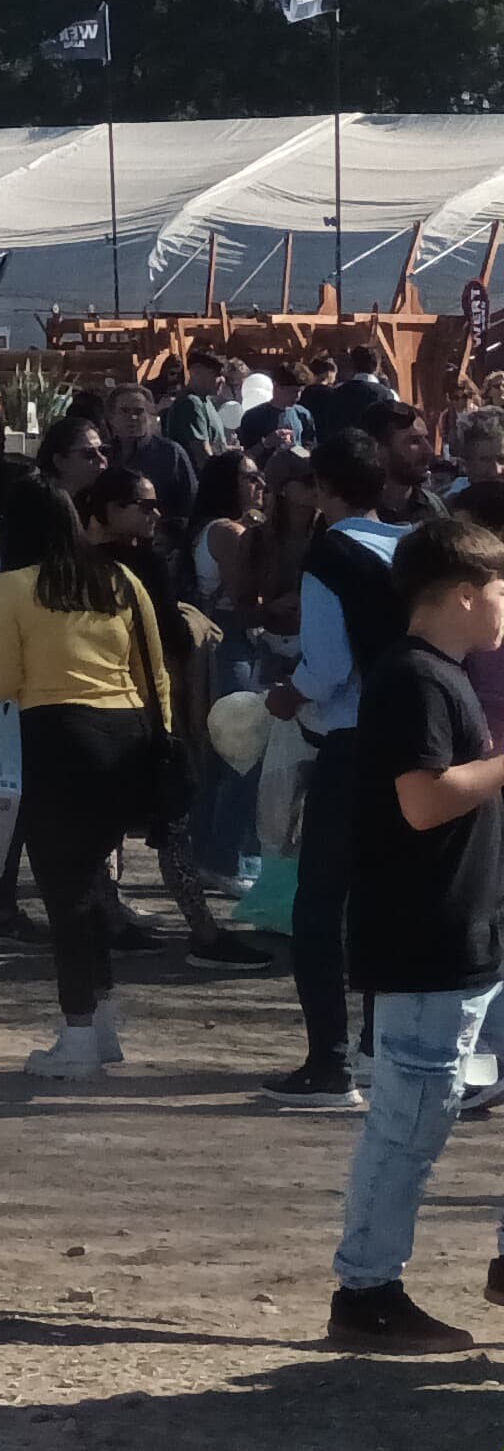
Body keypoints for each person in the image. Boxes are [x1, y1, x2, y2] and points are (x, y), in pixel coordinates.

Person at [319, 512, 504, 1348]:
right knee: (409, 1126)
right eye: (500, 586)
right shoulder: (416, 678)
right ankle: (367, 1291)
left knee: (425, 1116)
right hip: (427, 942)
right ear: (465, 594)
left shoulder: (442, 674)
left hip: (472, 932)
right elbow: (424, 801)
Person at [0, 472, 181, 1080]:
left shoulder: (10, 587)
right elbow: (155, 671)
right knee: (94, 885)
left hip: (59, 739)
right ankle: (101, 1023)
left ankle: (81, 1032)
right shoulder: (120, 578)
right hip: (129, 736)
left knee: (67, 892)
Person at [270, 424, 411, 1110]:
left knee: (320, 905)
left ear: (323, 490)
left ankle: (328, 1060)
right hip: (418, 740)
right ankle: (381, 1044)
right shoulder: (414, 545)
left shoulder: (329, 555)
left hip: (351, 742)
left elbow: (326, 667)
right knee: (390, 898)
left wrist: (284, 694)